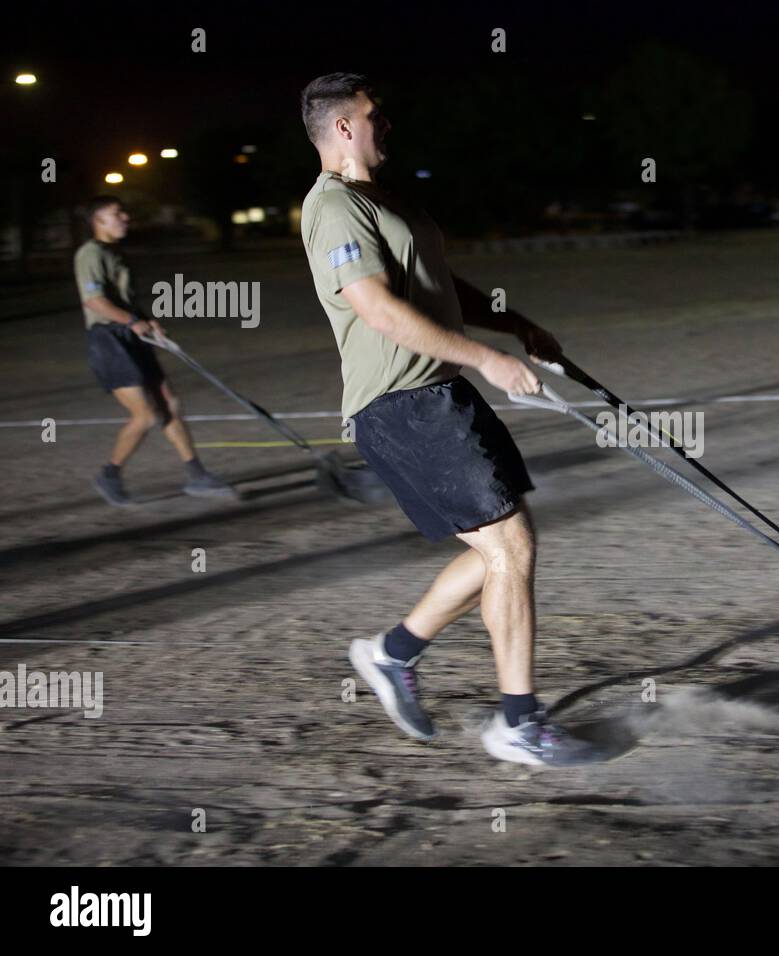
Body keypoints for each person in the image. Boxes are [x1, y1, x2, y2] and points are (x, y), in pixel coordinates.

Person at [298, 72, 603, 766]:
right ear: (343, 127)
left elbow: (435, 285)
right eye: (376, 116)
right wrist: (486, 360)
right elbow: (376, 308)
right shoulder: (333, 207)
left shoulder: (383, 200)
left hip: (438, 395)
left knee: (501, 550)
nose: (388, 126)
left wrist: (512, 321)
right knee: (511, 548)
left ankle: (390, 654)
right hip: (399, 404)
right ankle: (518, 724)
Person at [74, 196, 237, 504]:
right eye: (116, 214)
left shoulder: (116, 253)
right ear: (98, 221)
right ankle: (109, 475)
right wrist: (134, 321)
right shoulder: (89, 254)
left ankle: (197, 475)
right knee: (146, 416)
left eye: (123, 212)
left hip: (131, 336)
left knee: (169, 405)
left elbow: (125, 300)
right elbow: (94, 302)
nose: (125, 217)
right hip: (109, 342)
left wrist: (149, 322)